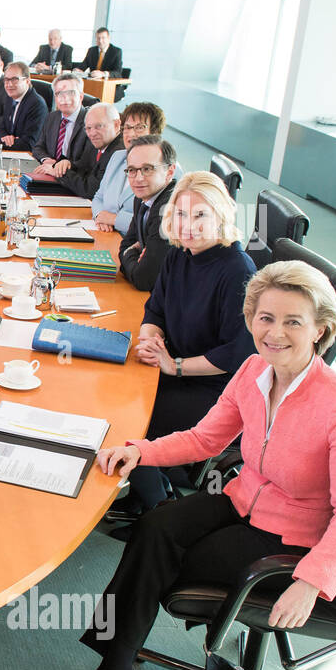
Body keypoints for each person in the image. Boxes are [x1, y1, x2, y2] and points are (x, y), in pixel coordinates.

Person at [46, 260, 336, 670]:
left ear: (321, 330)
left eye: (293, 321)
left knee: (163, 559)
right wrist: (140, 452)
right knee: (154, 525)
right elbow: (206, 439)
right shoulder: (253, 371)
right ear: (251, 320)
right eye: (265, 318)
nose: (275, 332)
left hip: (289, 539)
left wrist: (311, 580)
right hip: (241, 500)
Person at [118, 171, 258, 517]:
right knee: (114, 394)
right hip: (172, 368)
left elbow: (236, 354)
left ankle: (160, 509)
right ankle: (146, 487)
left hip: (215, 387)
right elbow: (155, 309)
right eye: (181, 214)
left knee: (132, 421)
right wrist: (150, 339)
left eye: (200, 215)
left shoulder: (237, 269)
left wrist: (174, 366)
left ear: (221, 217)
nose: (188, 225)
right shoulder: (180, 255)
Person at [92, 101, 172, 234]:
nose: (131, 134)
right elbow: (98, 197)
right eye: (127, 127)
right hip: (106, 234)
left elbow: (160, 223)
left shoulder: (166, 169)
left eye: (139, 127)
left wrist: (115, 220)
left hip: (137, 244)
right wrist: (100, 215)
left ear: (155, 132)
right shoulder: (118, 157)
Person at [118, 134, 179, 293]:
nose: (138, 178)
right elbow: (126, 244)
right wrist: (133, 255)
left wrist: (129, 255)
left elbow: (144, 279)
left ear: (169, 171)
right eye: (132, 170)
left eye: (147, 169)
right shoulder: (143, 196)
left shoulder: (170, 210)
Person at [56, 103, 124, 200]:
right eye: (88, 128)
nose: (92, 134)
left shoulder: (118, 153)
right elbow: (82, 167)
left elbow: (90, 190)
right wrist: (66, 164)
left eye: (99, 126)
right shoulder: (97, 143)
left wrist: (61, 173)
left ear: (116, 125)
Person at [0, 61, 47, 151]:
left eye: (14, 79)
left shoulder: (36, 104)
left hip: (26, 156)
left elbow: (29, 143)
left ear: (27, 81)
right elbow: (2, 128)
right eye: (6, 80)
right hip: (10, 151)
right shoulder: (10, 98)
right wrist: (6, 137)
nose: (9, 84)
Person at [31, 73, 90, 171]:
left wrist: (56, 167)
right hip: (48, 173)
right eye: (59, 94)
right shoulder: (52, 117)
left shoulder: (89, 121)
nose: (64, 98)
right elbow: (38, 147)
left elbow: (86, 162)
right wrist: (46, 160)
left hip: (73, 179)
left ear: (80, 96)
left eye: (70, 93)